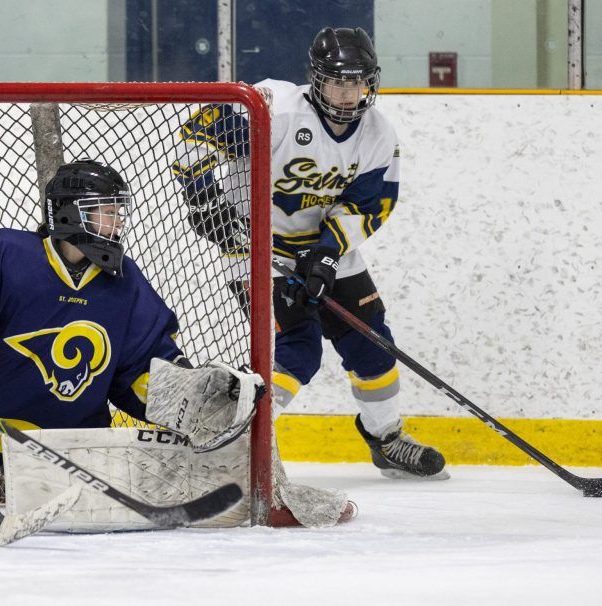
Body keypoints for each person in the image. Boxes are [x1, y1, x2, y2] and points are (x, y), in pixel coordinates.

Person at [173, 27, 448, 480]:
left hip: (325, 251)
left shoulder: (377, 132)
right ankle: (241, 442)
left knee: (373, 345)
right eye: (338, 82)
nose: (348, 93)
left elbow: (369, 204)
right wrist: (205, 198)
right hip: (256, 248)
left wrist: (325, 254)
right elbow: (197, 135)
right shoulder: (274, 107)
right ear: (317, 80)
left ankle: (386, 439)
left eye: (357, 82)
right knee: (298, 349)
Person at [0, 159, 257, 511]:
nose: (119, 222)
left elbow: (142, 370)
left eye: (119, 212)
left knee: (84, 518)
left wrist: (192, 393)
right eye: (108, 212)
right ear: (69, 214)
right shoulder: (7, 254)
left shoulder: (126, 283)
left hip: (73, 444)